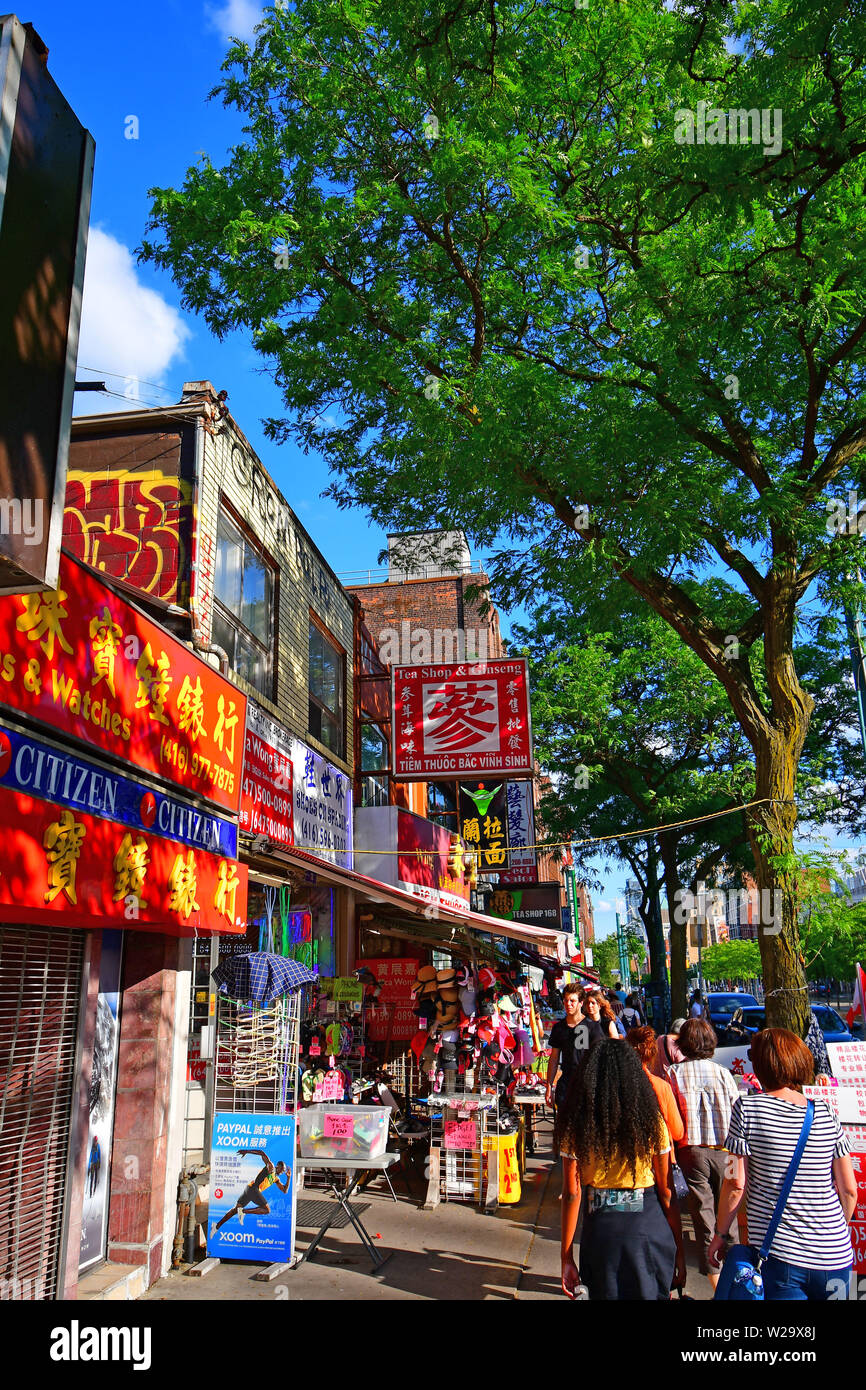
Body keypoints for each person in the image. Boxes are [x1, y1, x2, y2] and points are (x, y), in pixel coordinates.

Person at [708, 1028, 856, 1299]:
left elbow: (734, 1182)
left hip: (781, 1255)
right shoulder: (826, 1112)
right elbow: (849, 1190)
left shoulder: (747, 1110)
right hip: (837, 1256)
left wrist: (719, 1234)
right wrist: (831, 1232)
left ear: (762, 1065)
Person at [557, 1040, 686, 1300]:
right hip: (649, 1225)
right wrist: (679, 1251)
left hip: (601, 1231)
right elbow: (667, 1192)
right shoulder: (652, 1122)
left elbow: (572, 1194)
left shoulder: (577, 1127)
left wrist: (566, 1256)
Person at [668, 1017, 741, 1288]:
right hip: (727, 1152)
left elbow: (673, 1116)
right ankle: (737, 1276)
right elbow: (737, 1111)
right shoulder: (723, 1073)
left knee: (704, 1214)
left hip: (693, 1151)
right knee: (730, 1209)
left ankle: (717, 1281)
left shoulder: (675, 1073)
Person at [626, 1026, 685, 1145]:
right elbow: (677, 1132)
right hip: (659, 1155)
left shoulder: (616, 1085)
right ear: (651, 1054)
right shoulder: (662, 1086)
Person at [210, 1150, 291, 1236]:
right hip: (253, 1189)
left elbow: (285, 1190)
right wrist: (246, 1151)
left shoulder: (276, 1179)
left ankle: (216, 1226)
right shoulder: (270, 1167)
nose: (282, 1172)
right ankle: (243, 1211)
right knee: (267, 1210)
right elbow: (261, 1153)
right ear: (277, 1166)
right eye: (282, 1170)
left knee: (235, 1210)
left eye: (283, 1171)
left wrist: (288, 1178)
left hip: (249, 1190)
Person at [545, 983, 584, 1109]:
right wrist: (549, 1086)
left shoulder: (591, 1027)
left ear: (581, 1003)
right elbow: (554, 1058)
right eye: (566, 1000)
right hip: (565, 1086)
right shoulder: (559, 1028)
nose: (568, 1004)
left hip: (587, 1087)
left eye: (572, 1001)